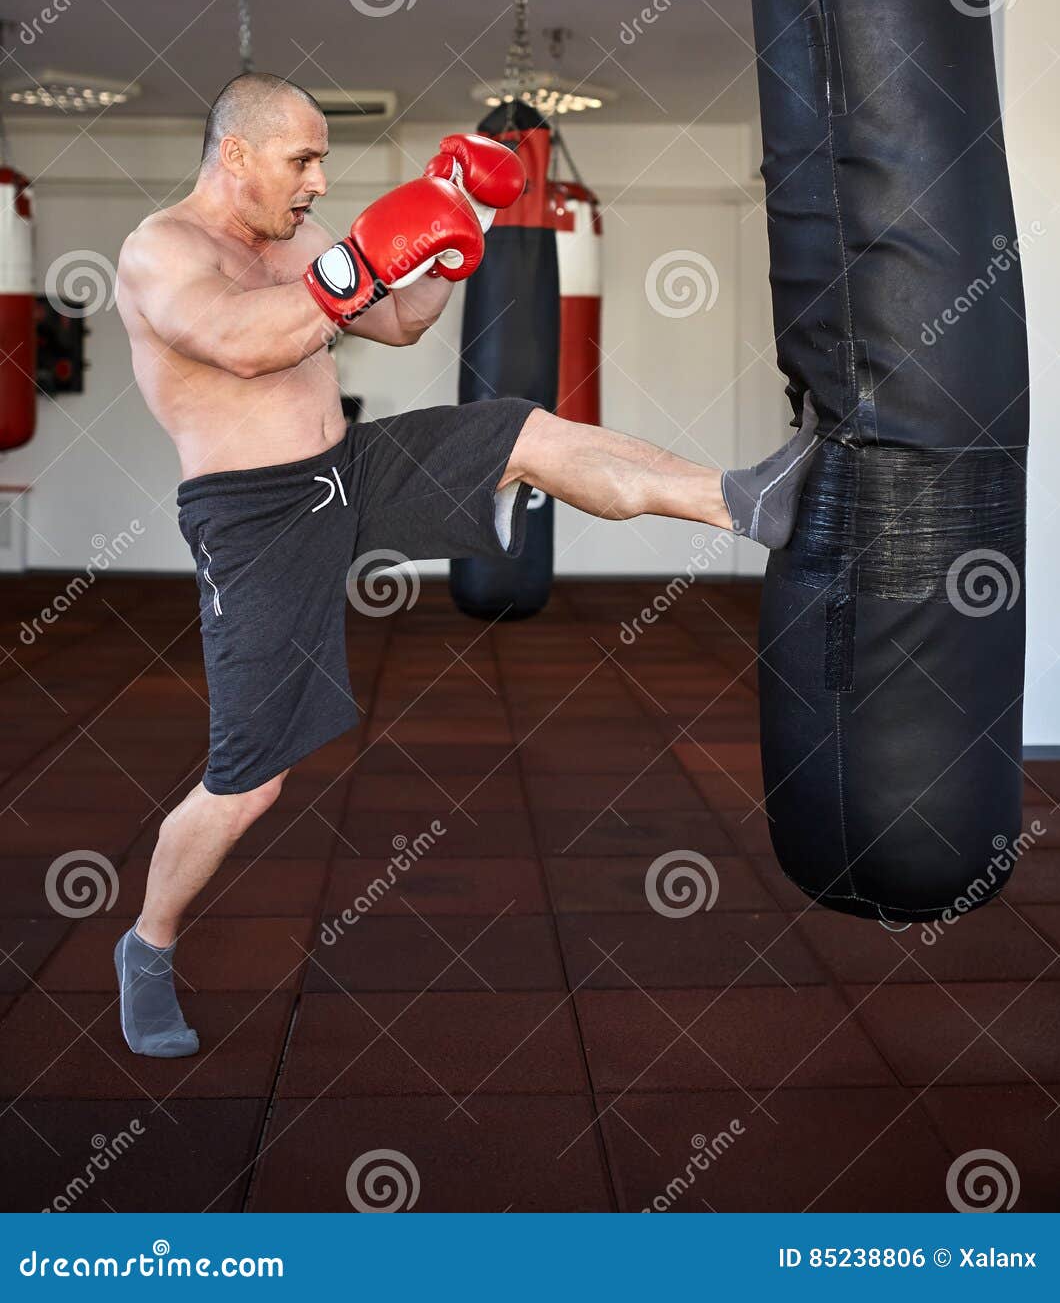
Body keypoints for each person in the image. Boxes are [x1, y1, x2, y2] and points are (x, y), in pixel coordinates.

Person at [113, 72, 819, 1057]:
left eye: (322, 161)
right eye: (302, 160)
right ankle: (148, 946)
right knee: (249, 782)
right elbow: (240, 343)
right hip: (254, 515)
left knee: (522, 430)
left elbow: (399, 320)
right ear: (236, 153)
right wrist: (364, 261)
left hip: (351, 467)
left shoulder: (303, 243)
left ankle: (742, 500)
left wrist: (460, 226)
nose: (319, 181)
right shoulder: (162, 250)